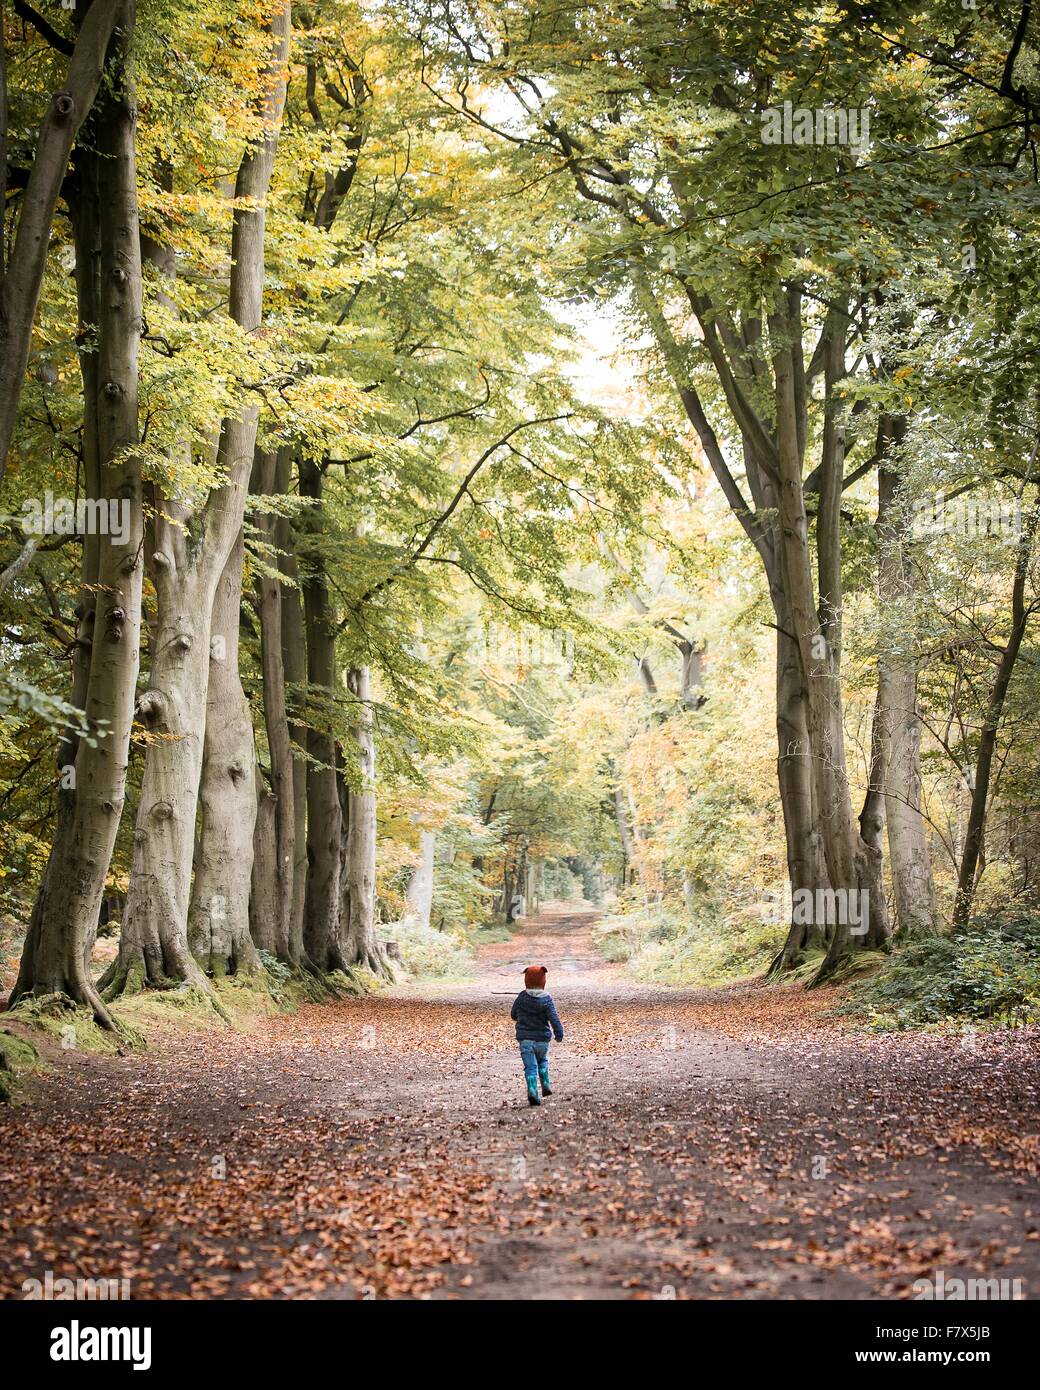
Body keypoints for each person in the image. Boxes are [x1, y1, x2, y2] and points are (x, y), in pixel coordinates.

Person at [510, 964, 564, 1106]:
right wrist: (559, 1033)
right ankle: (545, 1084)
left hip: (525, 1040)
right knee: (542, 1060)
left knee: (530, 1067)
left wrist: (520, 1017)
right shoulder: (547, 999)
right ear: (543, 981)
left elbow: (513, 1014)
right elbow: (554, 1018)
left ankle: (533, 1091)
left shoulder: (522, 997)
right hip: (542, 1040)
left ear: (526, 980)